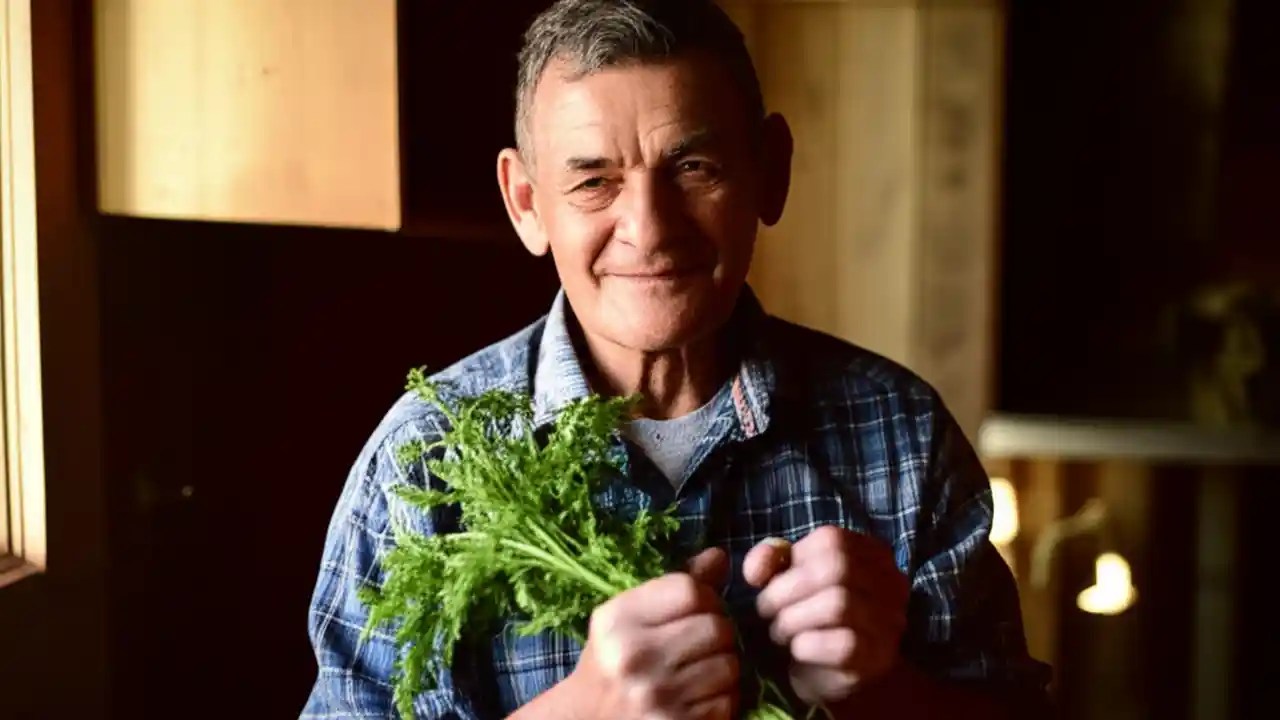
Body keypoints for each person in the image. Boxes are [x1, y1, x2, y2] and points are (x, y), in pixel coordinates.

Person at [302, 1, 1052, 718]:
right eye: (594, 182)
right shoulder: (423, 463)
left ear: (771, 171)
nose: (651, 229)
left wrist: (874, 690)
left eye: (693, 168)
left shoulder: (901, 433)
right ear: (527, 202)